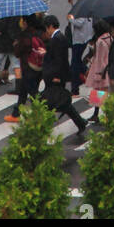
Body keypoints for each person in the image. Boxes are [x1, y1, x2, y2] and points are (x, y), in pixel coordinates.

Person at [38, 15, 86, 143]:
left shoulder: (57, 39)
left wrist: (57, 77)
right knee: (61, 102)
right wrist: (46, 53)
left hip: (55, 76)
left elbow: (59, 60)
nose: (46, 32)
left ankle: (43, 128)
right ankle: (80, 122)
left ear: (50, 26)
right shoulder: (59, 38)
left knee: (49, 101)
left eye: (46, 28)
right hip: (57, 75)